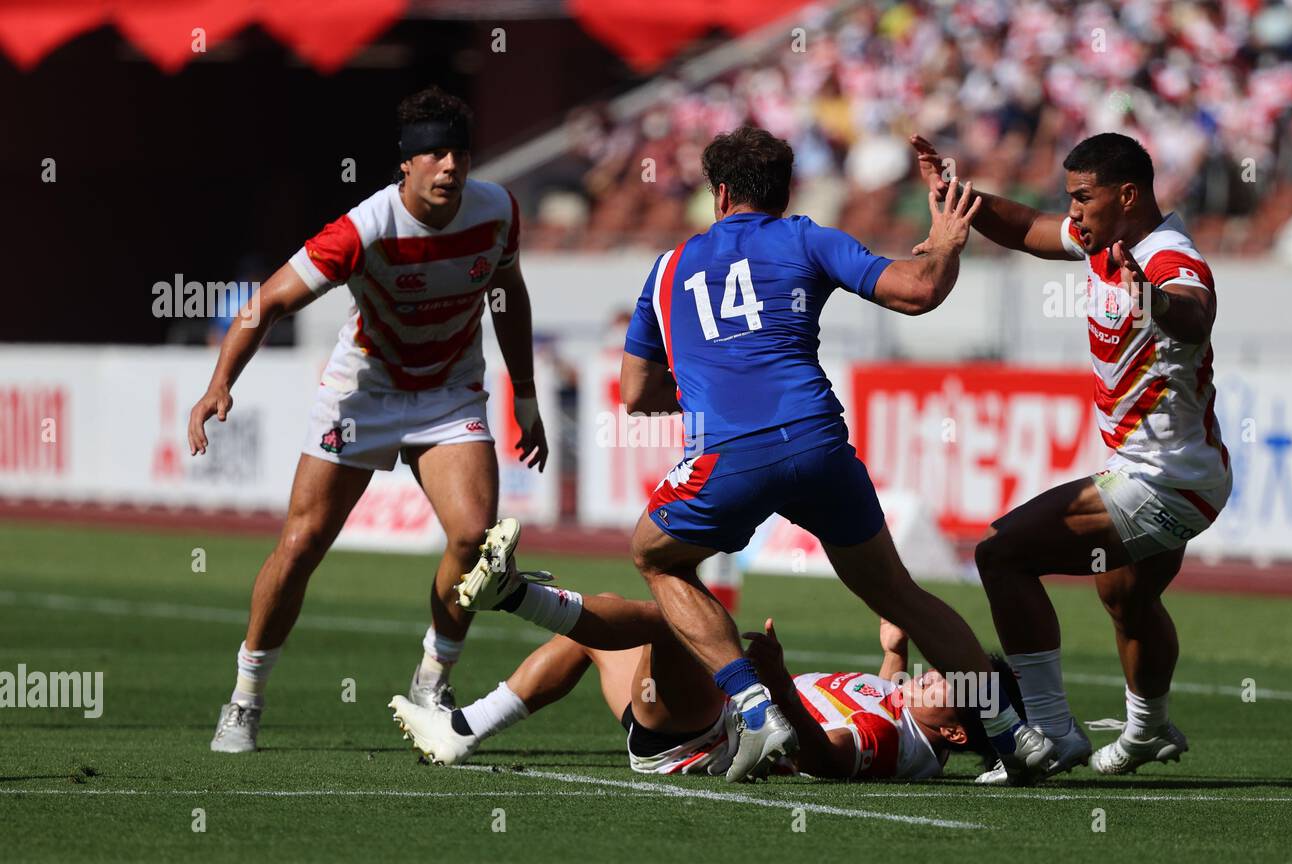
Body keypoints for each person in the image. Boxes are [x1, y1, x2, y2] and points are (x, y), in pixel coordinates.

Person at [616, 127, 1054, 782]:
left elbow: (635, 393)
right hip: (818, 442)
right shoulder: (805, 238)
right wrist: (947, 241)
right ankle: (1010, 733)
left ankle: (756, 708)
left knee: (654, 556)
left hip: (728, 454)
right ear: (784, 191)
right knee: (900, 595)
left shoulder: (670, 266)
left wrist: (708, 386)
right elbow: (918, 291)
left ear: (721, 193)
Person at [192, 85, 548, 753]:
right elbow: (264, 302)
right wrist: (219, 385)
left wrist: (524, 397)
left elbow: (508, 292)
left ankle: (431, 681)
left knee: (476, 538)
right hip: (364, 393)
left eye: (460, 154)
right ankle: (245, 697)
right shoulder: (365, 228)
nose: (450, 167)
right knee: (301, 547)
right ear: (406, 166)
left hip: (449, 394)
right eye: (435, 154)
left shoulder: (497, 209)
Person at [910, 131, 1231, 780]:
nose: (1074, 211)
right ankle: (1147, 730)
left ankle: (1053, 732)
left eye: (1084, 198)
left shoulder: (1170, 260)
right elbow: (1026, 227)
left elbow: (1193, 315)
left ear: (1128, 195)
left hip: (1162, 481)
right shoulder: (1102, 239)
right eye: (1072, 198)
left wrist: (1154, 299)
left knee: (1001, 555)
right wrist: (955, 195)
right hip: (1180, 472)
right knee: (1127, 598)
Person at [388, 521, 1023, 781]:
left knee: (674, 618)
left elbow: (830, 756)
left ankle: (514, 594)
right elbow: (884, 699)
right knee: (591, 632)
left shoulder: (898, 740)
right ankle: (460, 730)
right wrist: (894, 648)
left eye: (949, 685)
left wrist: (772, 684)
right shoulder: (907, 712)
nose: (938, 675)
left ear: (961, 736)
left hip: (706, 738)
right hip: (703, 717)